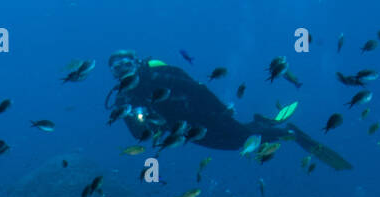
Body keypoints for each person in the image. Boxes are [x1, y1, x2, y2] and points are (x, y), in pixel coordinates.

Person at [106, 50, 352, 171]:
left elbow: (197, 89)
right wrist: (131, 117)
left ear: (137, 63)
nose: (121, 69)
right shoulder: (124, 98)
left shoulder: (159, 75)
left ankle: (289, 130)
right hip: (184, 132)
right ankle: (263, 124)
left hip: (205, 115)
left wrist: (221, 110)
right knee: (237, 145)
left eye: (125, 63)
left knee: (244, 139)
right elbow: (139, 136)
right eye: (115, 68)